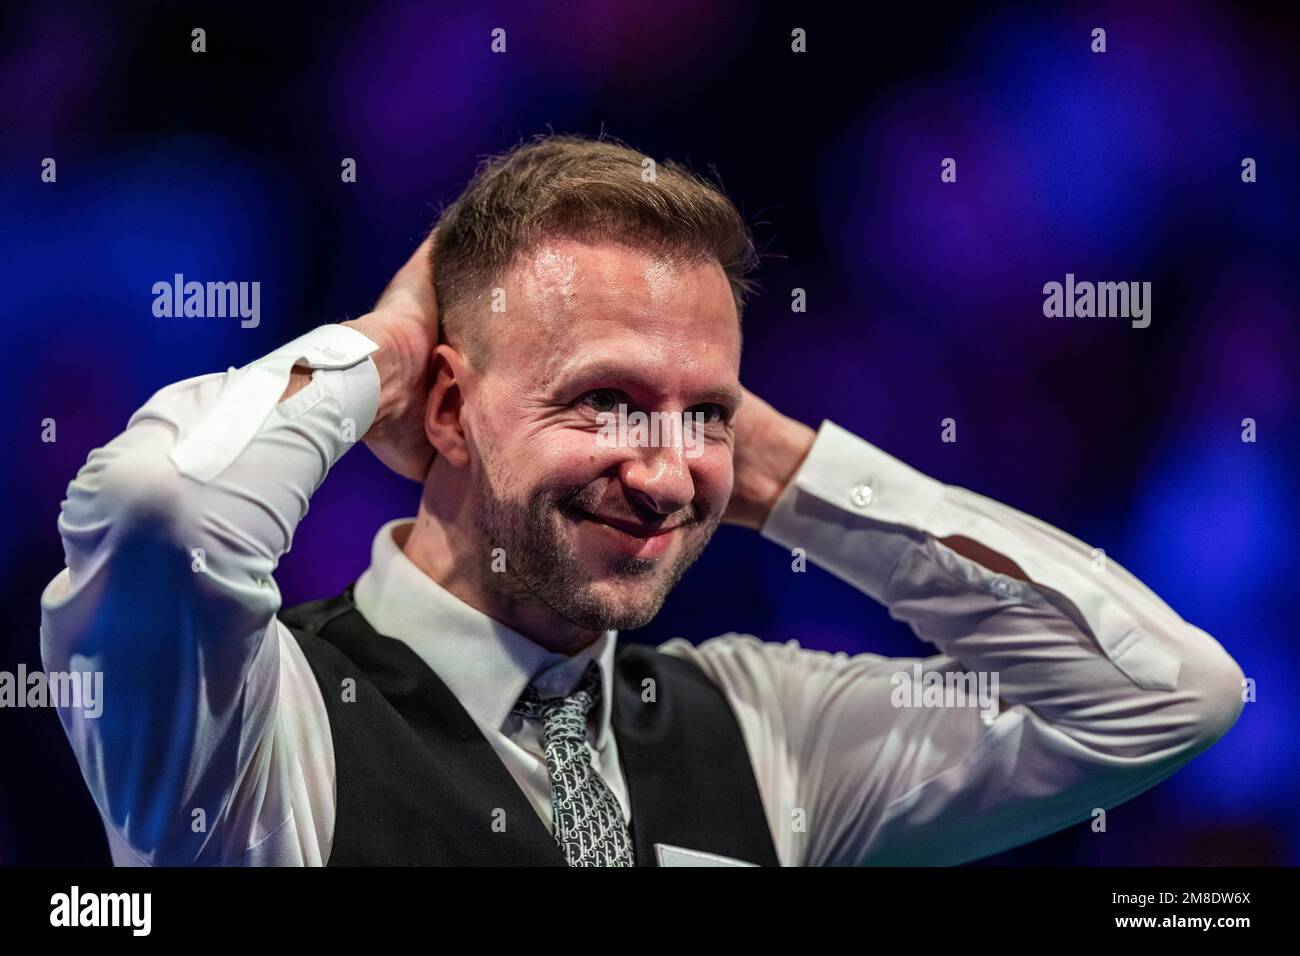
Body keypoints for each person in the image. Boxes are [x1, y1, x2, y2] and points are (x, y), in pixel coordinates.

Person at [40, 134, 1244, 866]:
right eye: (606, 400)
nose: (667, 474)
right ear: (451, 410)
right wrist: (385, 348)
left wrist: (774, 469)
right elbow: (162, 506)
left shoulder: (763, 729)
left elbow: (1161, 697)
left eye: (704, 414)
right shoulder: (259, 720)